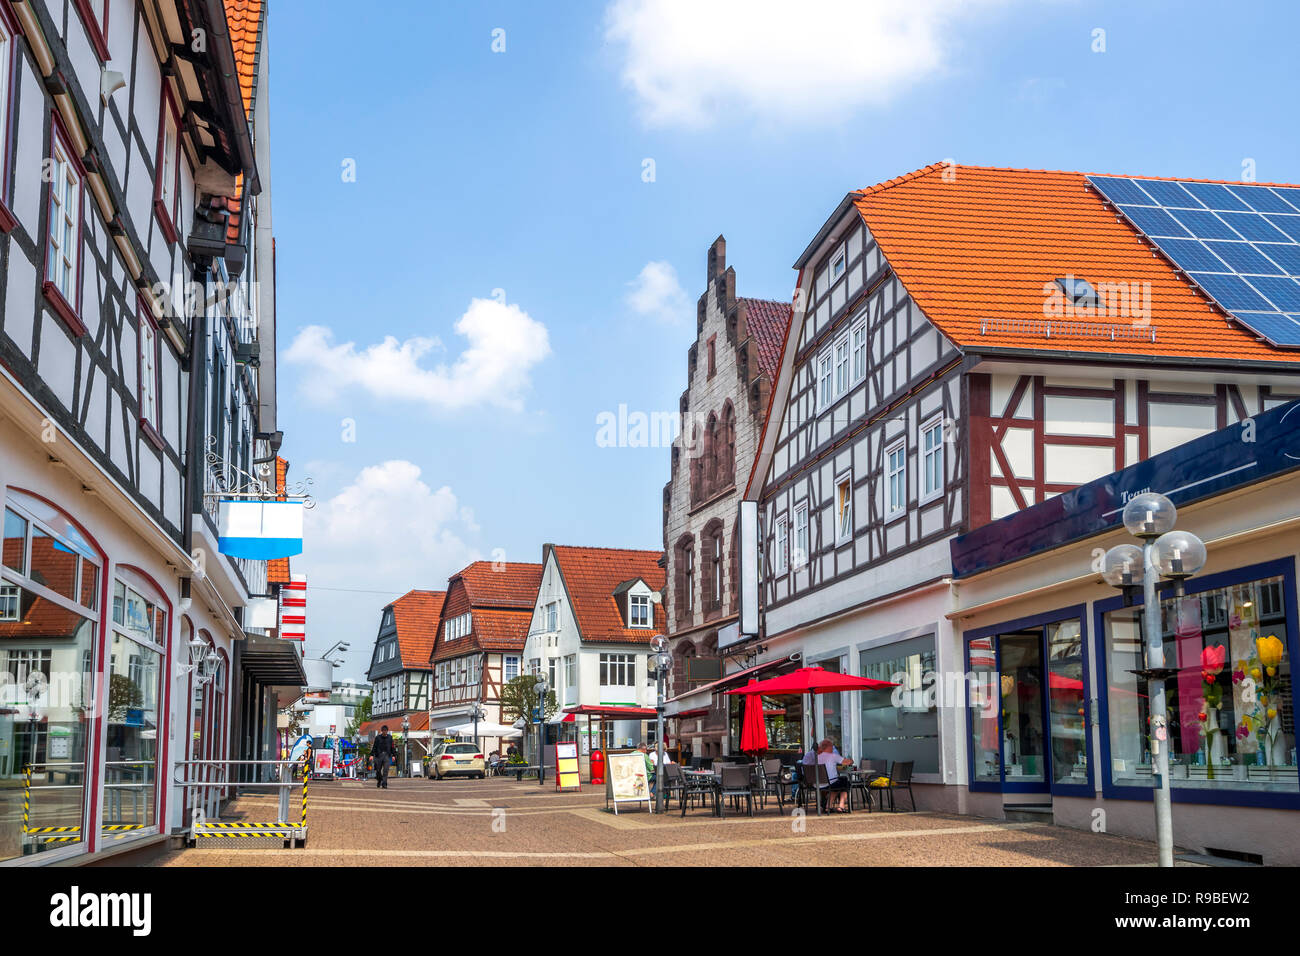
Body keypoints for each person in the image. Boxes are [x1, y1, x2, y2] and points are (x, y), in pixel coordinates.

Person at [816, 738, 853, 812]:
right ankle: (841, 806)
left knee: (837, 784)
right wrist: (851, 760)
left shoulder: (816, 757)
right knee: (845, 782)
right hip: (829, 783)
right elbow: (847, 762)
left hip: (817, 783)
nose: (833, 748)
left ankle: (828, 806)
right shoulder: (833, 756)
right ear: (829, 747)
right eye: (832, 746)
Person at [372, 725, 396, 789]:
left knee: (386, 770)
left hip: (387, 756)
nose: (385, 732)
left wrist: (393, 755)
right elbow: (374, 747)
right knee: (378, 770)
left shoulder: (390, 738)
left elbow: (392, 747)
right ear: (382, 731)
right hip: (379, 756)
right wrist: (371, 755)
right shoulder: (378, 738)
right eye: (383, 731)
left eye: (386, 731)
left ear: (387, 731)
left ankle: (384, 784)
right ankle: (379, 780)